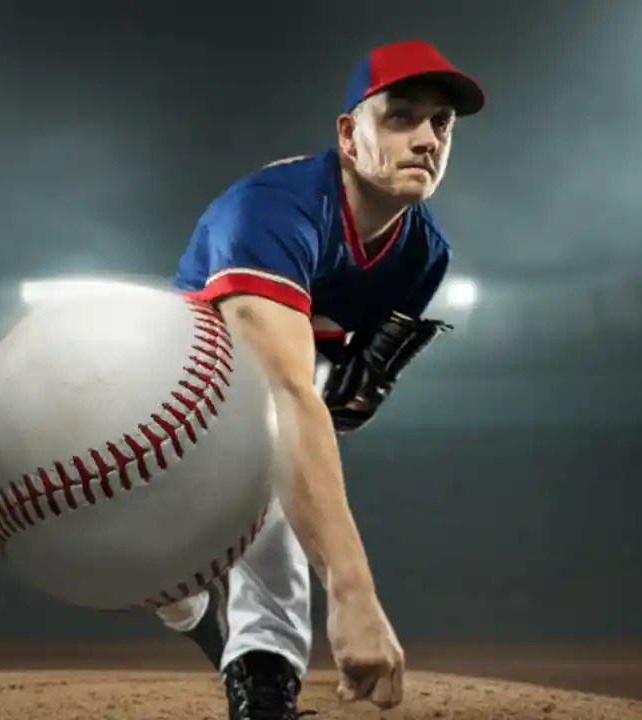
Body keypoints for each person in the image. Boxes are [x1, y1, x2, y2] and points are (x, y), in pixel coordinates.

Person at [165, 39, 485, 720]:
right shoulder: (269, 211)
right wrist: (353, 593)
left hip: (283, 366)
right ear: (348, 133)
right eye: (400, 116)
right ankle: (195, 604)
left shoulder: (426, 254)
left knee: (270, 454)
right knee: (262, 427)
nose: (427, 138)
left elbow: (326, 387)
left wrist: (347, 385)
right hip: (171, 376)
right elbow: (284, 395)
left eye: (442, 124)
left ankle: (261, 670)